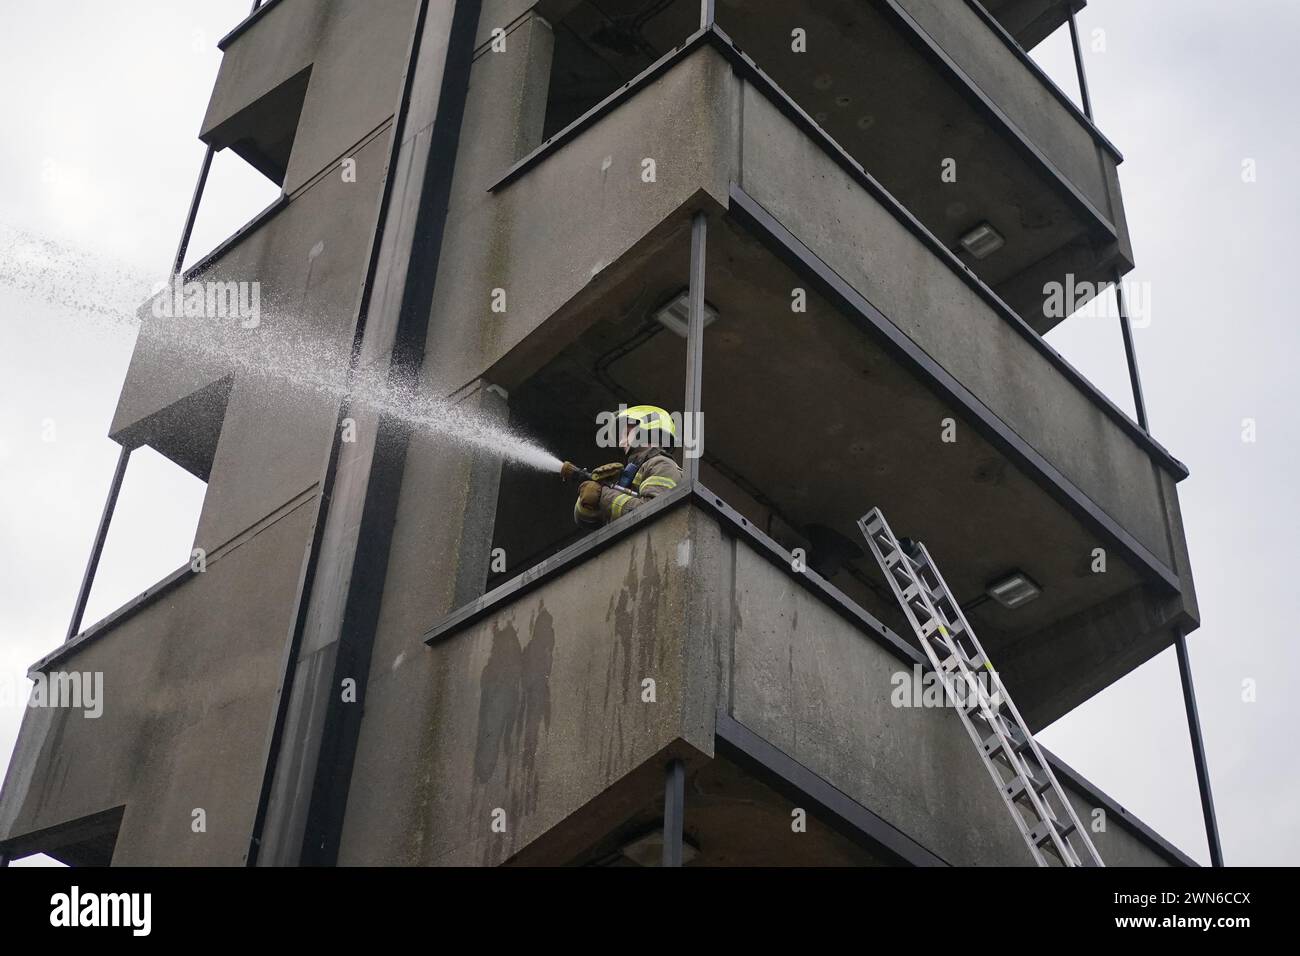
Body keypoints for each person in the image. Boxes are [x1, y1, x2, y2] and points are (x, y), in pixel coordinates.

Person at [573, 405, 682, 528]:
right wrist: (590, 495)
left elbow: (651, 512)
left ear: (647, 428)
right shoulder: (631, 472)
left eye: (627, 433)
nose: (621, 442)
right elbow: (588, 521)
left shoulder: (662, 464)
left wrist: (603, 493)